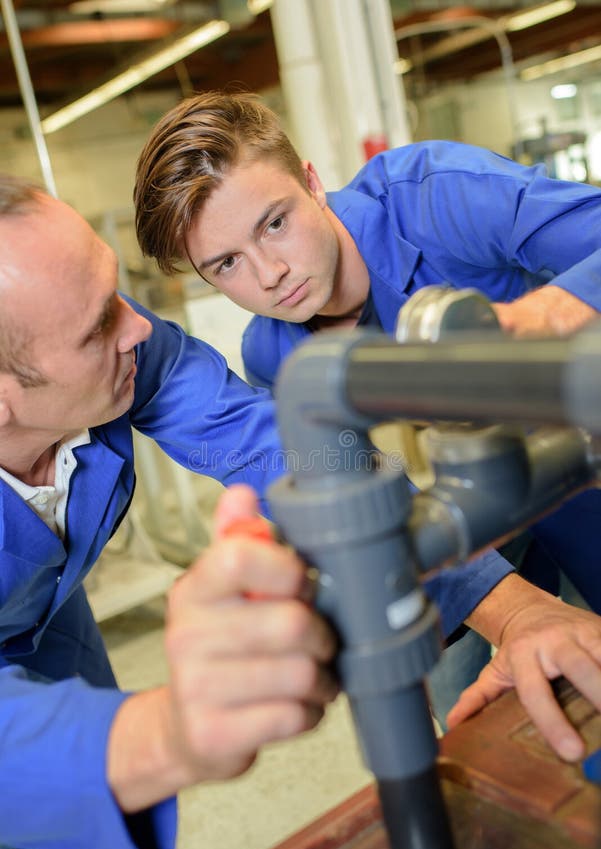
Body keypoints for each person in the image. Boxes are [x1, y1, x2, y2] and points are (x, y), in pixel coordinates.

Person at [133, 89, 601, 742]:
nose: (270, 274)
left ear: (312, 183)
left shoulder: (433, 196)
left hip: (584, 448)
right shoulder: (274, 357)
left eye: (274, 223)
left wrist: (542, 317)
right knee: (451, 678)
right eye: (227, 263)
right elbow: (348, 482)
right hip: (480, 486)